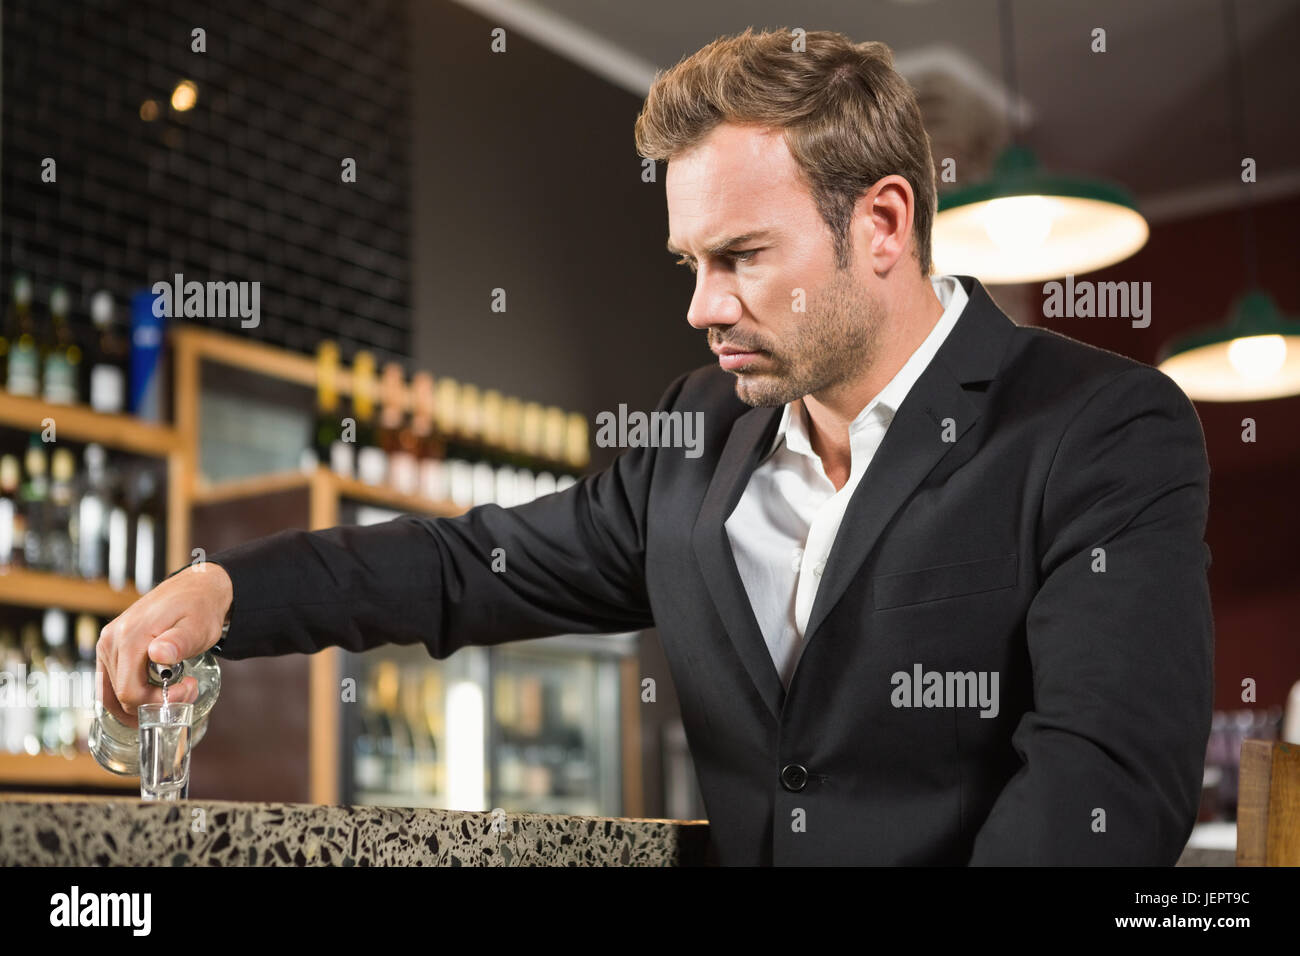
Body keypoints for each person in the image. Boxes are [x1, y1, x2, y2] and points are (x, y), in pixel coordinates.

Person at [97, 27, 1212, 866]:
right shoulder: (697, 438)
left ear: (881, 223)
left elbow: (1102, 780)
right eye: (690, 263)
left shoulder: (1097, 429)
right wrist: (227, 587)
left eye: (738, 256)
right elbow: (460, 566)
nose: (701, 305)